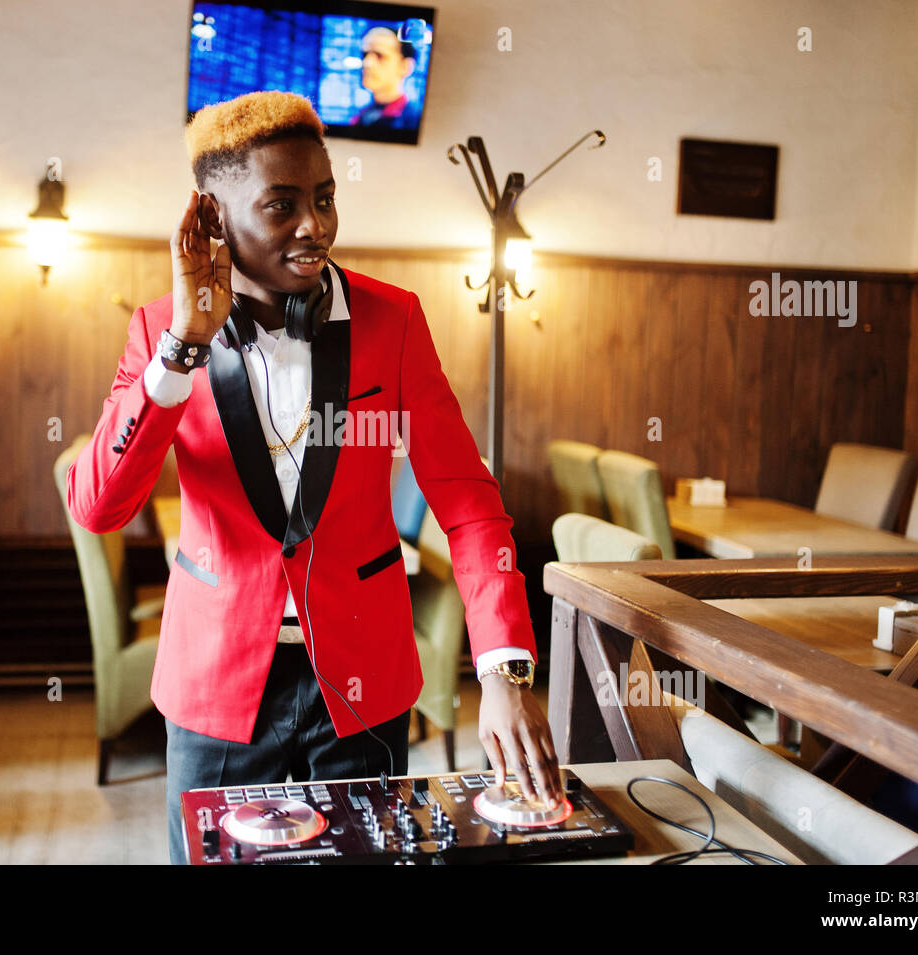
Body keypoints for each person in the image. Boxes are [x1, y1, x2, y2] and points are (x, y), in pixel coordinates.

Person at [66, 90, 559, 865]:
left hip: (363, 676)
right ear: (214, 216)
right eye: (283, 204)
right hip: (219, 677)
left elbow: (468, 503)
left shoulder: (394, 321)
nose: (316, 226)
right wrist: (182, 349)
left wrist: (503, 670)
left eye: (325, 198)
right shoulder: (159, 330)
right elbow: (97, 505)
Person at [351, 26, 420, 129]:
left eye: (380, 55)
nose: (367, 63)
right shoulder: (360, 117)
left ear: (406, 66)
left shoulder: (415, 119)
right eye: (365, 55)